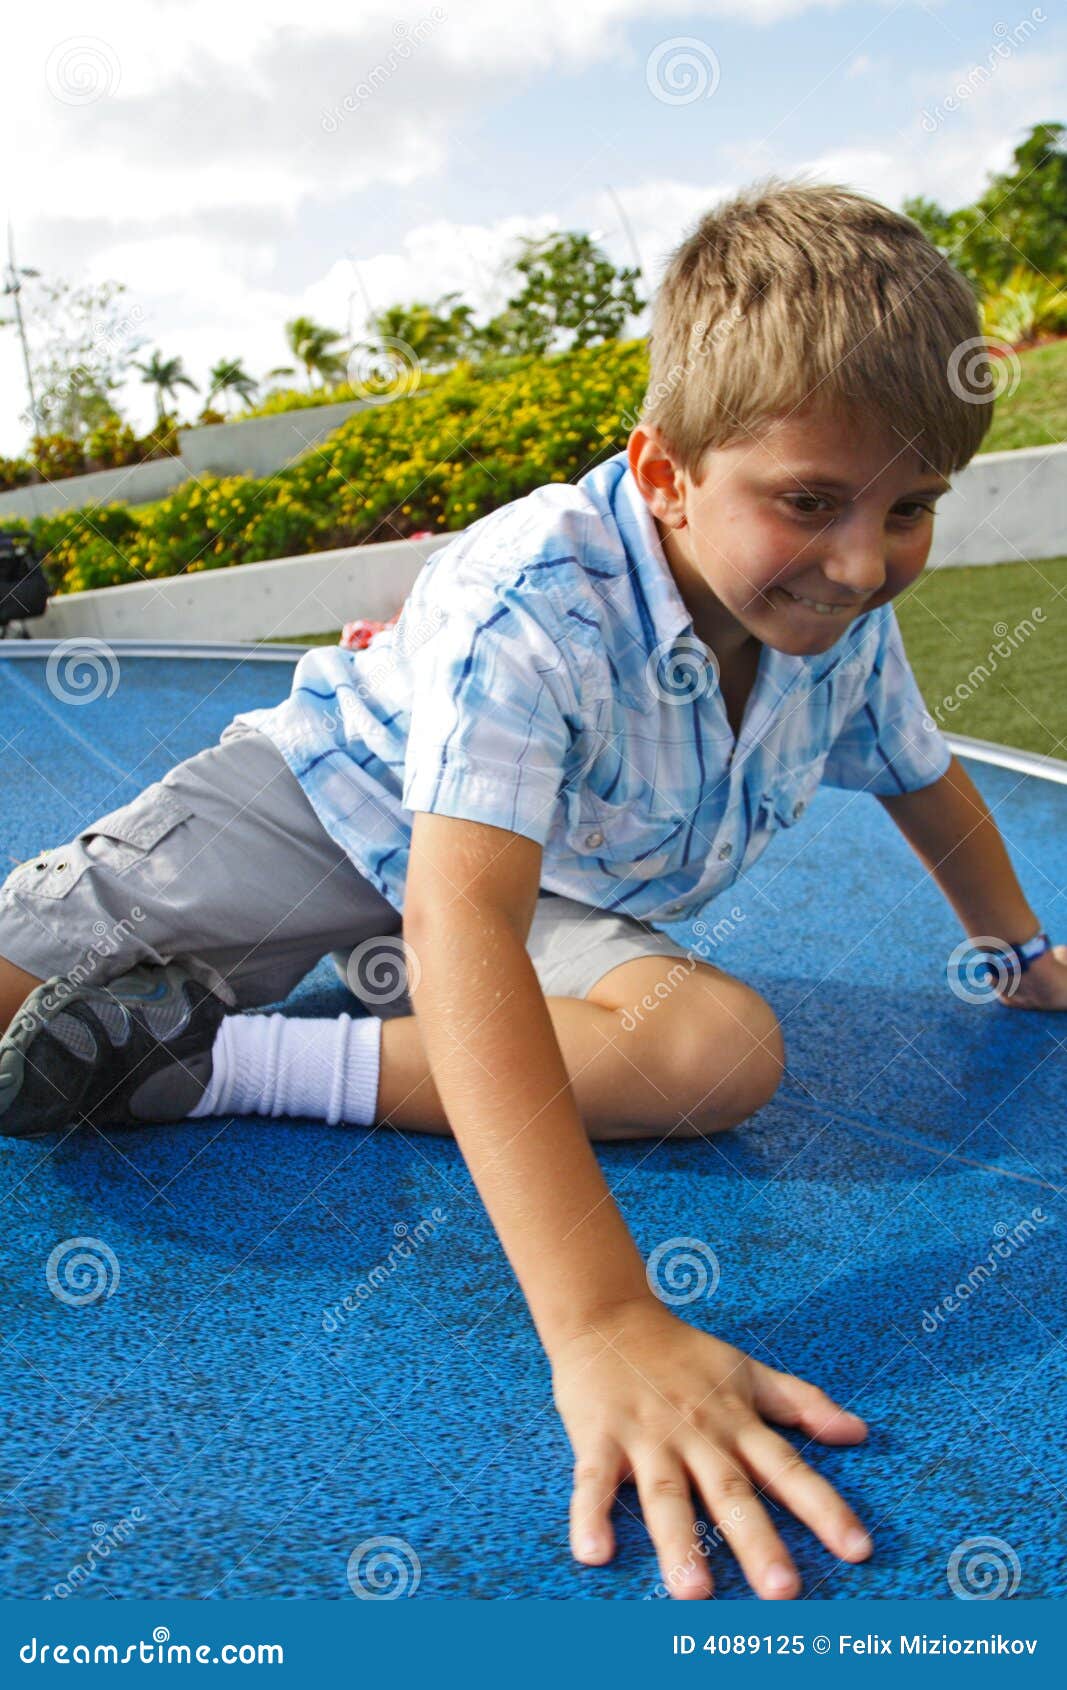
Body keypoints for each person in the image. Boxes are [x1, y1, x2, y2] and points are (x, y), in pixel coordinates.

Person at [1, 179, 1064, 1603]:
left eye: (913, 507)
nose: (866, 564)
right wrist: (607, 1315)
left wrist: (1020, 948)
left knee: (720, 1054)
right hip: (341, 801)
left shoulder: (835, 624)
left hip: (533, 873)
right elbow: (458, 919)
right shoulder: (538, 597)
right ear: (668, 470)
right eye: (811, 502)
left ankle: (202, 1058)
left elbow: (925, 782)